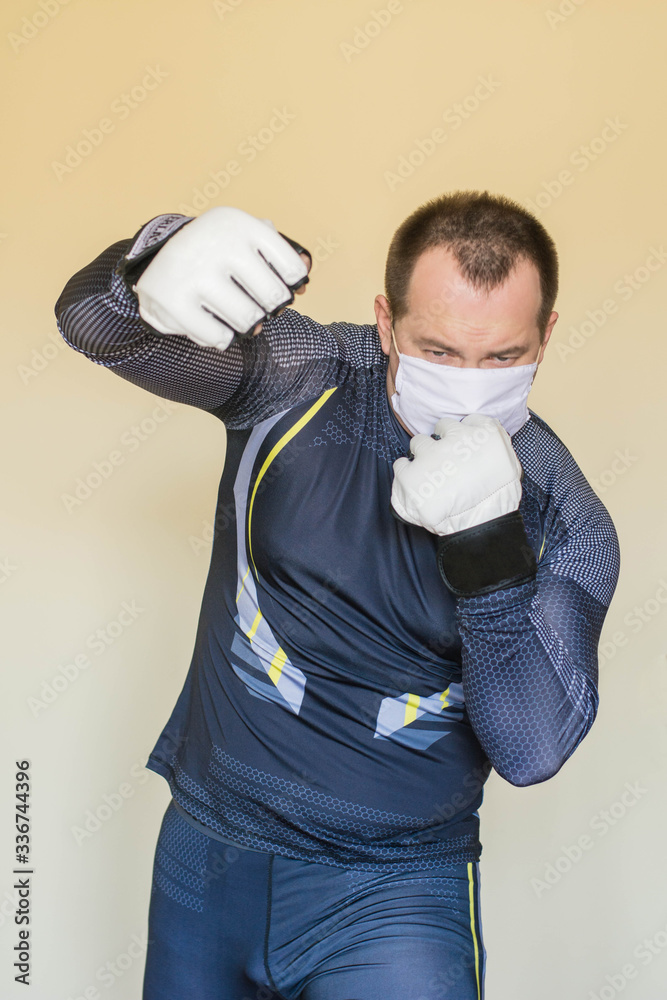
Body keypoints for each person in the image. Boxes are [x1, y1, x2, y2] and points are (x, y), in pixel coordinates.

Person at [54, 191, 620, 1000]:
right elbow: (95, 327)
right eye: (437, 349)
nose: (467, 387)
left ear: (547, 337)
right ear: (386, 322)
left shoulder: (566, 513)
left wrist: (487, 555)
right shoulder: (300, 375)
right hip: (210, 853)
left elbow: (531, 750)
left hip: (395, 895)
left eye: (501, 358)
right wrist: (148, 256)